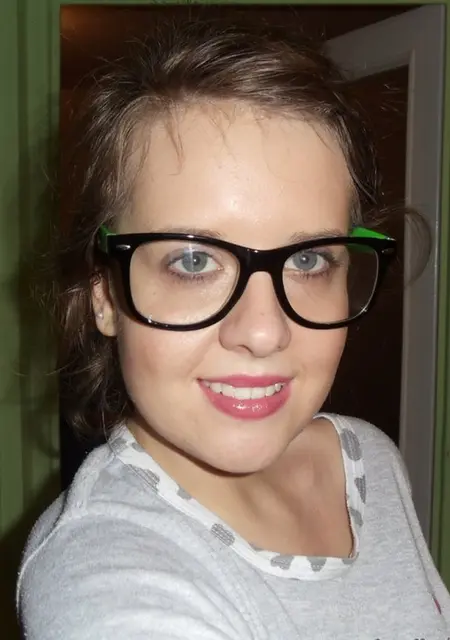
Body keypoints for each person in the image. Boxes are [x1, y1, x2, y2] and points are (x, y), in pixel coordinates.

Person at [17, 15, 450, 640]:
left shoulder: (367, 461)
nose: (264, 332)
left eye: (308, 260)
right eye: (194, 261)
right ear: (104, 296)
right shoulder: (106, 573)